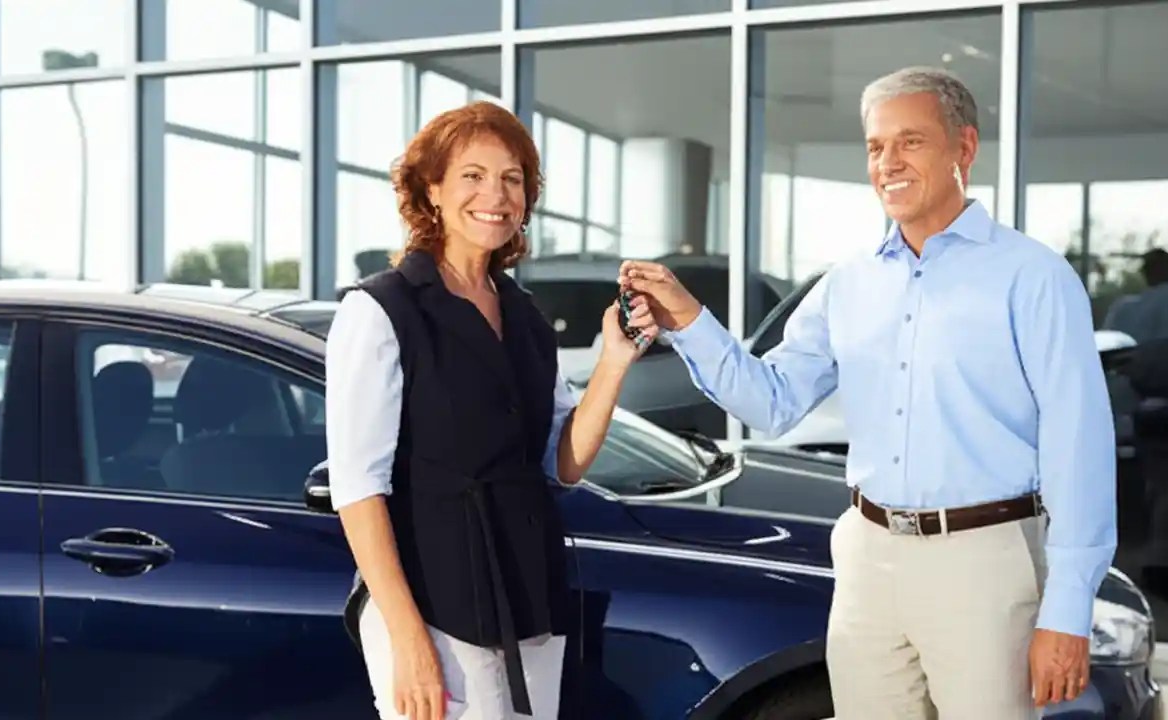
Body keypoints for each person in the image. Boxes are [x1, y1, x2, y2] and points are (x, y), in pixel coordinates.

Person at [619, 66, 1117, 719]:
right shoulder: (846, 284)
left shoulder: (1033, 278)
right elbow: (771, 401)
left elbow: (1079, 448)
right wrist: (689, 320)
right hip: (867, 553)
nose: (888, 162)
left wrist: (1069, 608)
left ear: (963, 148)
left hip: (984, 561)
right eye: (876, 147)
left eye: (910, 141)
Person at [324, 101, 656, 720]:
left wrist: (613, 363)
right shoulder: (380, 311)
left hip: (528, 592)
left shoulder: (525, 315)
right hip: (432, 603)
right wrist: (409, 643)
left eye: (512, 178)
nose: (495, 194)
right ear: (433, 190)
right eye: (472, 175)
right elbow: (357, 490)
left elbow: (564, 465)